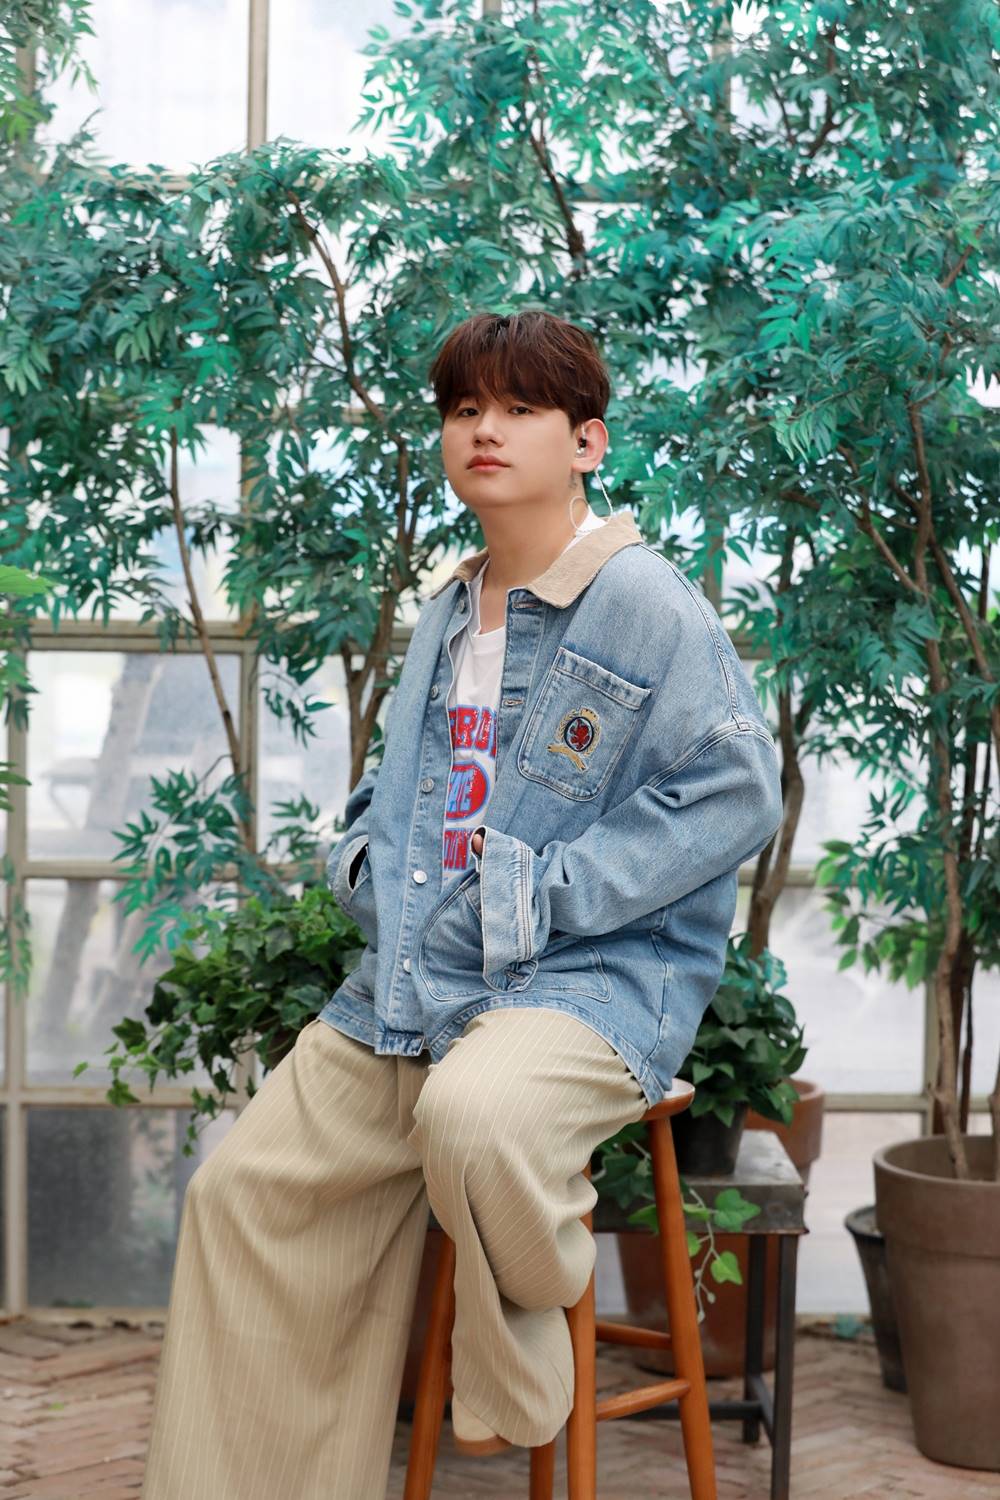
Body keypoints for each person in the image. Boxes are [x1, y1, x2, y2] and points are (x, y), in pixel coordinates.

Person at [140, 309, 783, 1500]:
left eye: (521, 409)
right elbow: (402, 783)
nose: (485, 429)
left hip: (588, 980)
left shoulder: (642, 600)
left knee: (476, 1115)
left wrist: (539, 897)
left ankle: (520, 1311)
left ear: (585, 441)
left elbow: (735, 791)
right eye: (463, 409)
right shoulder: (450, 602)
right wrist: (361, 866)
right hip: (414, 978)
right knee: (239, 1197)